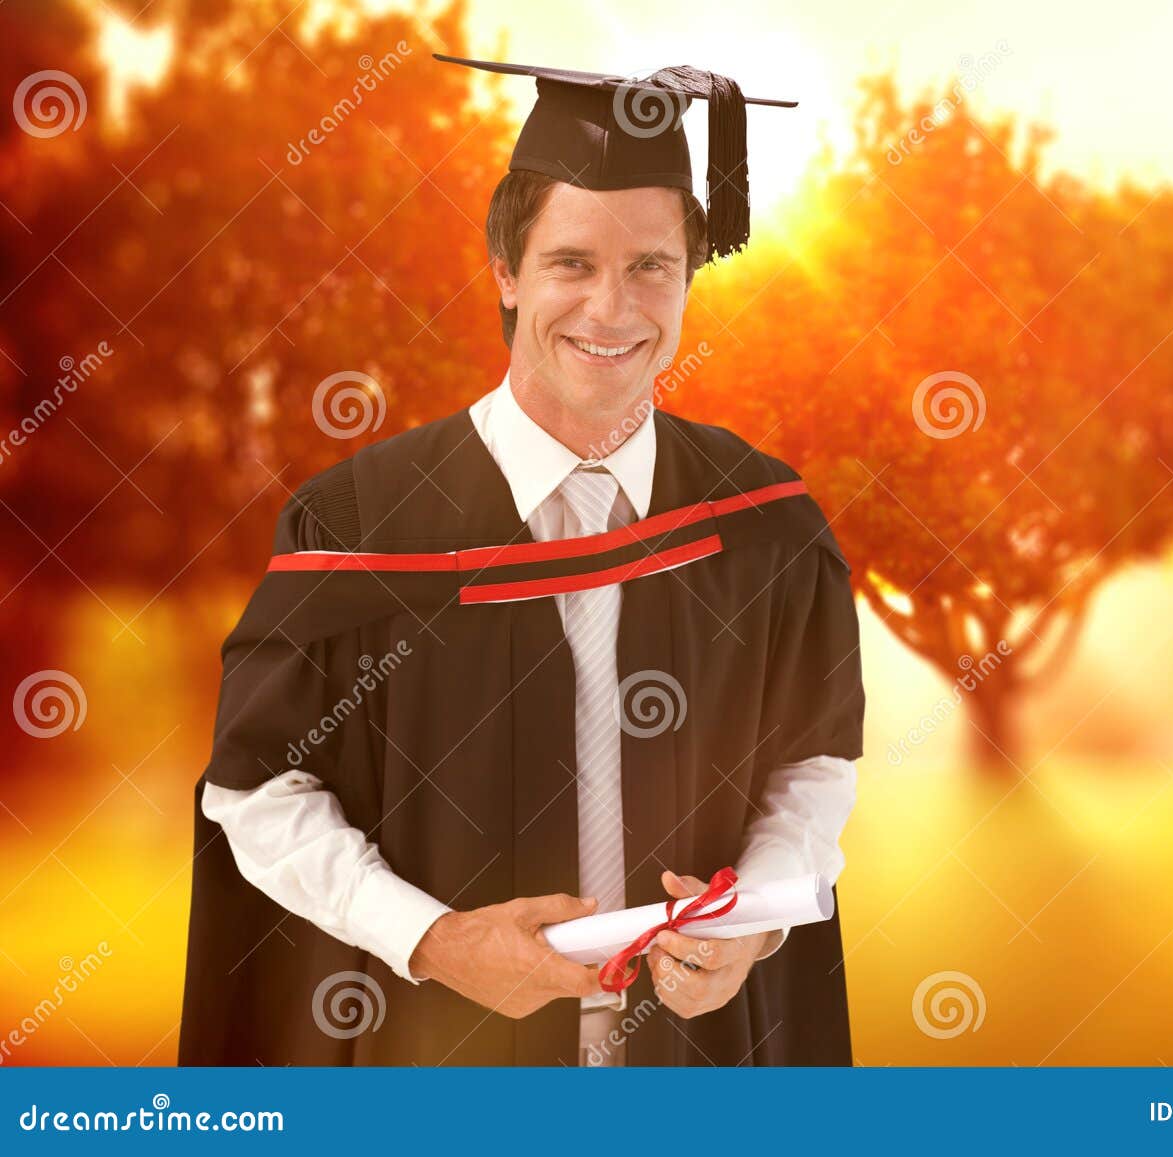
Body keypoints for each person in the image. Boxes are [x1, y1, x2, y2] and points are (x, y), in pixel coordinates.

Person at [178, 56, 865, 1067]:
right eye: (572, 263)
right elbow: (257, 789)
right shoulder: (365, 520)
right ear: (506, 270)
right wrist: (435, 940)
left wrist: (752, 917)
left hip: (692, 1061)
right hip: (443, 1061)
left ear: (689, 275)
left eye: (650, 267)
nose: (612, 309)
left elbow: (810, 763)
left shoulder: (759, 518)